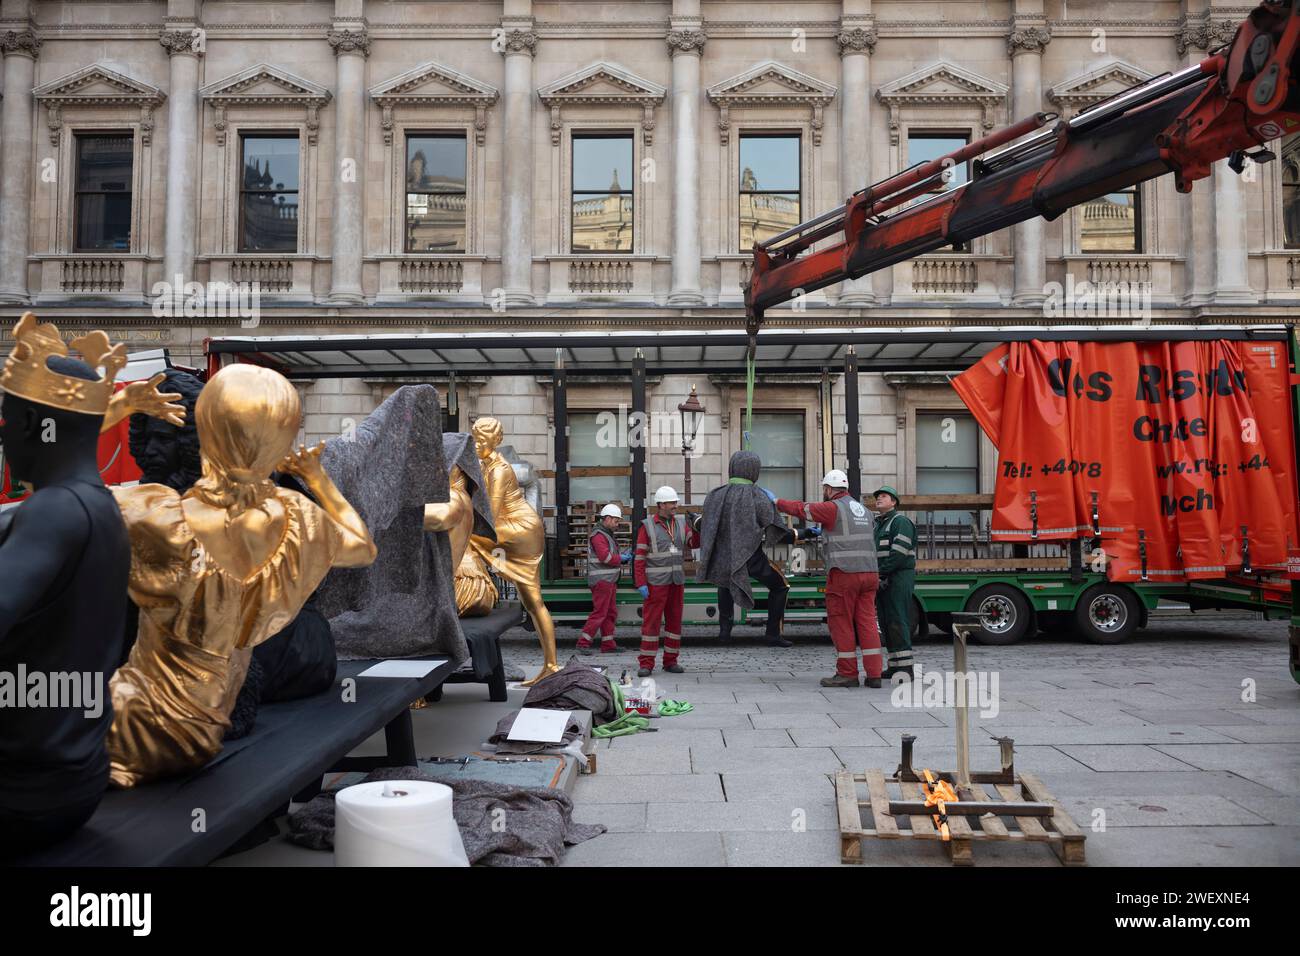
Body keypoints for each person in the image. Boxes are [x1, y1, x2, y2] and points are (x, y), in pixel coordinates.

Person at [0, 315, 181, 852]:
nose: (3, 434)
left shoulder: (55, 511)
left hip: (23, 792)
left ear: (34, 426)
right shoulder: (98, 505)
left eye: (8, 420)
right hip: (74, 777)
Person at [776, 470, 882, 687]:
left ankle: (848, 673)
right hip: (870, 572)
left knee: (841, 622)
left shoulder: (833, 507)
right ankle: (874, 675)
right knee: (868, 623)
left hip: (844, 573)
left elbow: (802, 509)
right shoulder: (864, 510)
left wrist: (776, 502)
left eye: (824, 489)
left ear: (828, 488)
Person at [699, 450, 807, 648]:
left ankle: (724, 633)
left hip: (723, 557)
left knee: (724, 583)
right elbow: (777, 530)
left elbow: (704, 525)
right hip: (751, 558)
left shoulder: (715, 495)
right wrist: (803, 533)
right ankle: (773, 634)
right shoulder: (759, 496)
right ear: (754, 470)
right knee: (780, 586)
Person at [633, 485, 699, 676]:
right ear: (661, 505)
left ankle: (670, 661)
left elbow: (694, 543)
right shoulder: (647, 526)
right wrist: (641, 583)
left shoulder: (681, 524)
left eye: (675, 502)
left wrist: (697, 528)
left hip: (676, 583)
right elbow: (639, 558)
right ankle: (646, 663)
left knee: (674, 623)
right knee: (651, 624)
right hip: (655, 584)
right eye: (671, 503)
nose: (675, 506)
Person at [873, 484, 917, 681]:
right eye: (878, 496)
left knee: (898, 621)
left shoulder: (900, 522)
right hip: (885, 578)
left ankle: (906, 669)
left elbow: (898, 553)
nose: (879, 498)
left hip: (898, 577)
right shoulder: (879, 524)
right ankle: (894, 665)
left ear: (893, 502)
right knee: (887, 622)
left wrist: (880, 573)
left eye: (884, 496)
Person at [578, 503, 629, 655]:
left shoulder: (605, 534)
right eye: (616, 521)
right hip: (603, 581)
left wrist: (621, 558)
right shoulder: (599, 536)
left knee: (610, 613)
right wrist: (621, 558)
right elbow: (605, 557)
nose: (617, 524)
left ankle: (608, 644)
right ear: (607, 518)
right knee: (600, 613)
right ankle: (583, 643)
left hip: (608, 580)